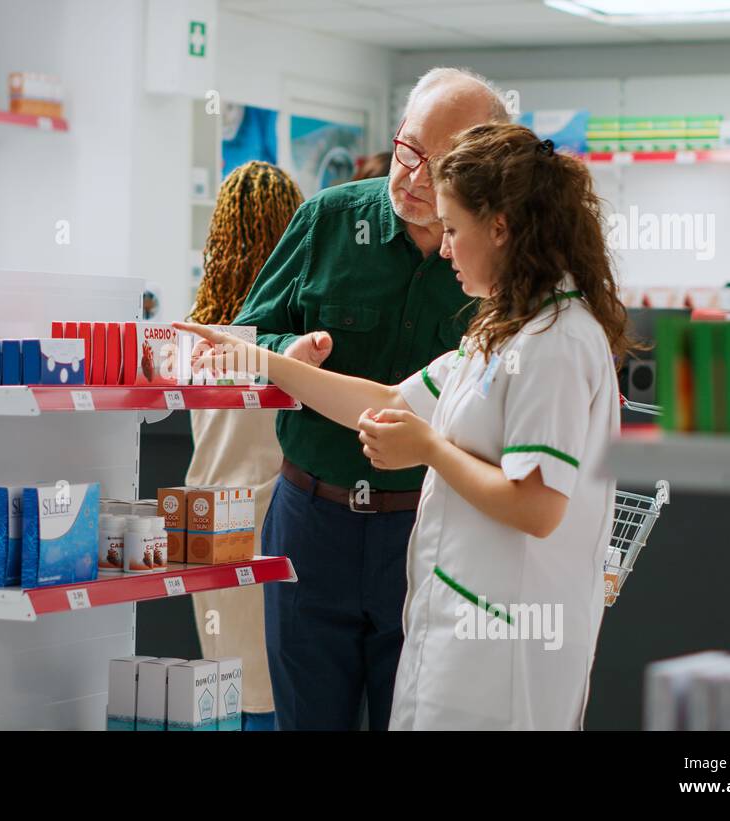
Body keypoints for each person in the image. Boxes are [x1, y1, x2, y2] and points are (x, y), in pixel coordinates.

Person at [179, 121, 637, 730]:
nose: (444, 248)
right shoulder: (500, 332)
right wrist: (257, 358)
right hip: (456, 624)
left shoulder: (554, 343)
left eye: (453, 230)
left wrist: (428, 449)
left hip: (507, 647)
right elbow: (385, 400)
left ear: (499, 228)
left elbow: (537, 506)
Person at [230, 67, 509, 731]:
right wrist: (282, 353)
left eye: (437, 165)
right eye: (407, 148)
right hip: (310, 519)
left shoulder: (496, 257)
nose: (412, 177)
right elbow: (247, 334)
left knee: (413, 718)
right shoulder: (327, 220)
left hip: (430, 526)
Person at [184, 161, 304, 731]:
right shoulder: (295, 332)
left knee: (222, 684)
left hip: (203, 516)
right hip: (270, 513)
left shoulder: (203, 327)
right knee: (270, 688)